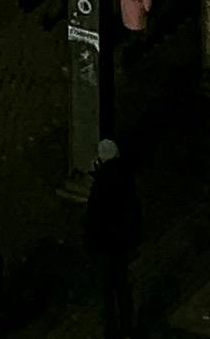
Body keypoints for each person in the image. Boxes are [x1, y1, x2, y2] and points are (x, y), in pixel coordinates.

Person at [83, 135, 143, 339]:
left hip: (104, 245)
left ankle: (111, 331)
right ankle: (127, 328)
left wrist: (90, 243)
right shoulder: (126, 179)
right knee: (122, 287)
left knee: (106, 291)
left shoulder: (100, 185)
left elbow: (94, 218)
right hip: (121, 243)